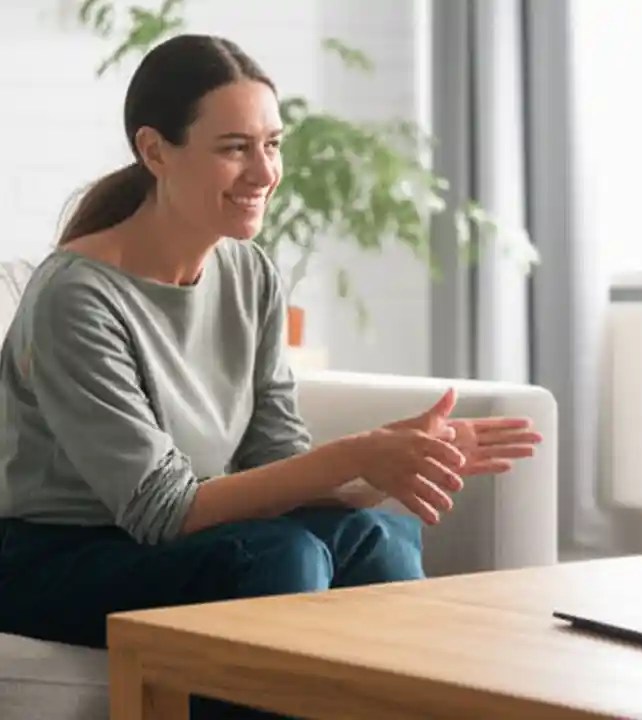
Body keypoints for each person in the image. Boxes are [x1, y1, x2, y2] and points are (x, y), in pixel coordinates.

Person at [0, 34, 542, 718]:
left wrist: (389, 460)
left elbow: (278, 461)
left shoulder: (250, 273)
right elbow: (160, 510)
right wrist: (354, 454)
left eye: (273, 144)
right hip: (57, 558)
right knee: (279, 561)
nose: (264, 172)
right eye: (235, 148)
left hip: (188, 541)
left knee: (378, 536)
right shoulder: (77, 298)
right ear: (155, 150)